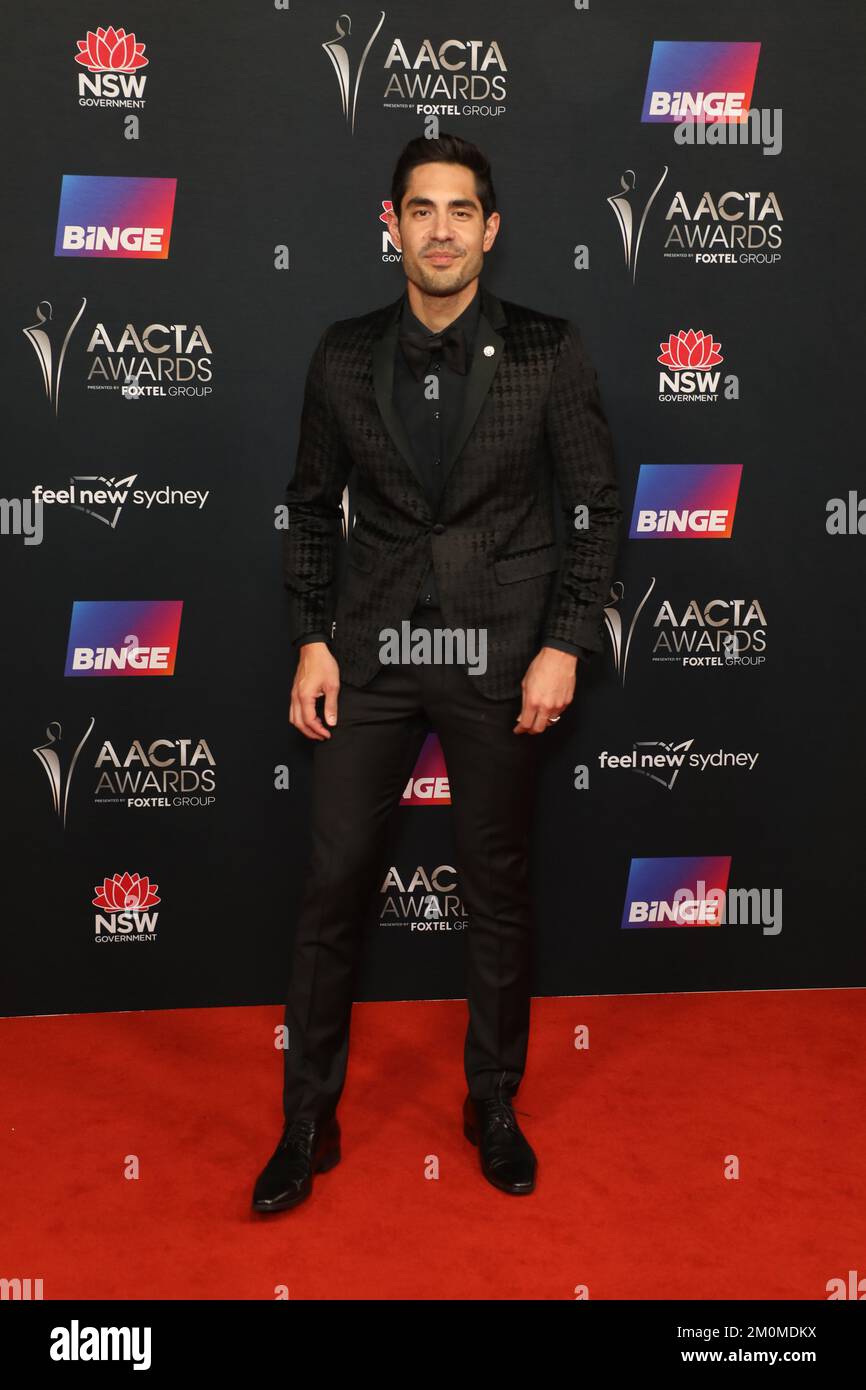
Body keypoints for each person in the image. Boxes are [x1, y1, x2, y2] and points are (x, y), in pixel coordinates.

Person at [252, 133, 622, 1213]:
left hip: (500, 656)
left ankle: (491, 1102)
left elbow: (591, 506)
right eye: (421, 209)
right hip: (370, 653)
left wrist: (563, 642)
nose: (442, 229)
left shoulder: (549, 351)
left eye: (462, 210)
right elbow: (311, 506)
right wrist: (311, 638)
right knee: (330, 890)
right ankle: (305, 1118)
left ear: (490, 229)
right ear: (391, 223)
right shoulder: (341, 353)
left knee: (495, 891)